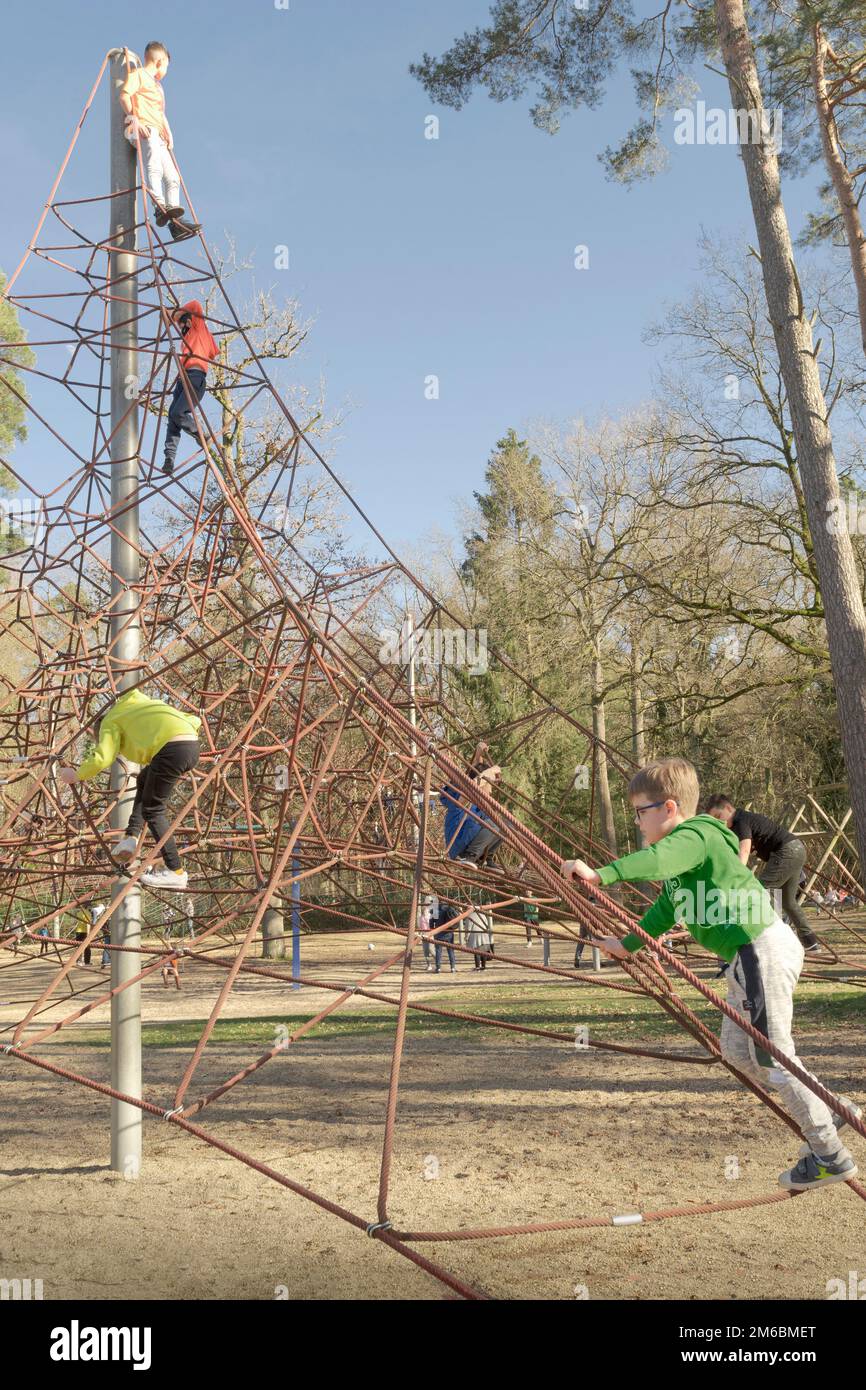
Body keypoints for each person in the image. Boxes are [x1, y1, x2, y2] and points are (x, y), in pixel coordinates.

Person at [562, 757, 858, 1192]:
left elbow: (659, 858)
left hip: (758, 947)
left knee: (772, 1057)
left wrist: (602, 874)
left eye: (640, 811)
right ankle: (827, 1108)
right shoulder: (685, 863)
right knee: (737, 1051)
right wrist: (626, 945)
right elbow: (667, 908)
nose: (637, 822)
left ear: (668, 808)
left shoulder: (695, 835)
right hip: (748, 957)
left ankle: (830, 1156)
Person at [60, 687, 201, 891]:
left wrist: (76, 775)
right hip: (190, 743)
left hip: (171, 749)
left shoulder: (110, 722)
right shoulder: (134, 707)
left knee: (153, 810)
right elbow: (188, 719)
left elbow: (103, 757)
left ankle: (175, 871)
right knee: (144, 780)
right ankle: (130, 837)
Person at [704, 795, 819, 952]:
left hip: (786, 851)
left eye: (719, 817)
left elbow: (743, 851)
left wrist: (735, 878)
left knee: (760, 891)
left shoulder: (740, 821)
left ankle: (773, 940)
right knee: (787, 902)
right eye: (714, 820)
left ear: (728, 809)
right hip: (796, 848)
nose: (719, 822)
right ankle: (810, 942)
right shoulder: (739, 824)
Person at [119, 43, 199, 241]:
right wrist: (134, 118)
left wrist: (169, 132)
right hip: (144, 129)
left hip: (158, 133)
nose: (165, 72)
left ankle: (175, 220)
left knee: (173, 177)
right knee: (153, 166)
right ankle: (160, 206)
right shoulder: (139, 75)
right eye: (166, 67)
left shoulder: (158, 87)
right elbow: (124, 95)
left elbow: (161, 113)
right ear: (160, 61)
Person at [162, 301, 219, 476]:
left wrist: (172, 312)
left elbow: (195, 304)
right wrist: (168, 317)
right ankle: (169, 459)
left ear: (190, 320)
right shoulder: (187, 339)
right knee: (172, 417)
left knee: (178, 413)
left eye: (182, 323)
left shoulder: (198, 328)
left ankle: (201, 434)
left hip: (195, 377)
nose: (181, 327)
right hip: (183, 379)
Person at [439, 747, 503, 867]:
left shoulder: (479, 804)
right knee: (493, 825)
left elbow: (473, 772)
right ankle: (469, 857)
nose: (491, 790)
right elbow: (472, 783)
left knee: (505, 825)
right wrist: (487, 774)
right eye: (491, 785)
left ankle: (486, 858)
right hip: (458, 849)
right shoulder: (462, 796)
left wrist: (479, 754)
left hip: (467, 841)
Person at [433, 901, 457, 973]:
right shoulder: (449, 910)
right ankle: (452, 967)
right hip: (449, 933)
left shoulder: (436, 911)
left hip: (438, 933)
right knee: (450, 951)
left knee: (438, 951)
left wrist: (432, 929)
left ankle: (438, 968)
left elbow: (431, 922)